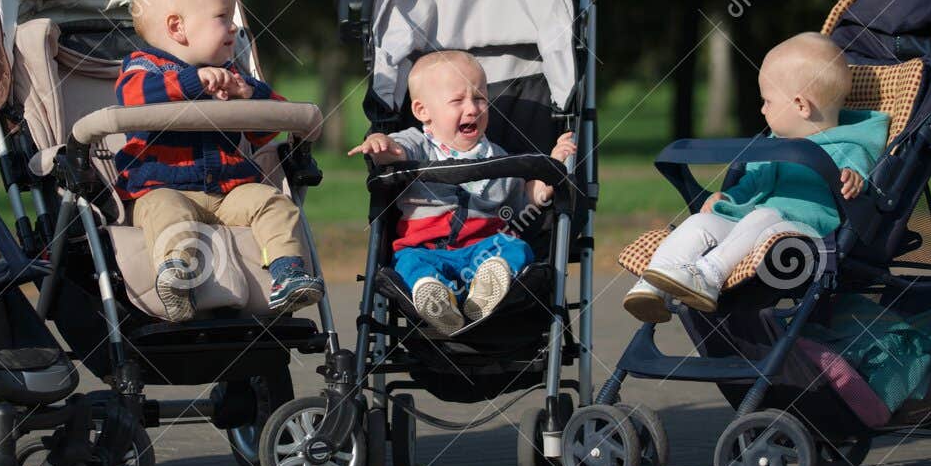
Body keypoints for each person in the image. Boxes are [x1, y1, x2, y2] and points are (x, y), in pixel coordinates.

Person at [113, 0, 324, 322]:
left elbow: (272, 125)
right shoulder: (143, 67)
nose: (234, 27)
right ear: (178, 27)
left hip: (229, 192)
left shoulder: (231, 74)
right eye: (222, 17)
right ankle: (177, 277)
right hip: (163, 187)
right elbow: (132, 96)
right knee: (167, 211)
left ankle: (288, 273)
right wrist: (193, 83)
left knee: (273, 202)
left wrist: (250, 95)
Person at [624, 32, 889, 321]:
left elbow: (863, 181)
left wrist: (855, 179)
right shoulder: (773, 145)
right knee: (700, 222)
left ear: (801, 105)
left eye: (768, 101)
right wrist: (729, 198)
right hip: (750, 221)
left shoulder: (849, 145)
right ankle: (655, 281)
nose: (762, 110)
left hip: (803, 230)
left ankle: (708, 277)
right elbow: (753, 183)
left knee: (764, 216)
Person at [351, 50, 576, 335]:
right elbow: (394, 153)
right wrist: (380, 143)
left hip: (483, 251)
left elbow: (523, 201)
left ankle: (483, 292)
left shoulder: (498, 156)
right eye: (457, 101)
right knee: (407, 262)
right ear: (423, 111)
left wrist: (551, 171)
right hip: (426, 249)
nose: (473, 109)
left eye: (480, 98)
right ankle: (438, 299)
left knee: (516, 247)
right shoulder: (418, 144)